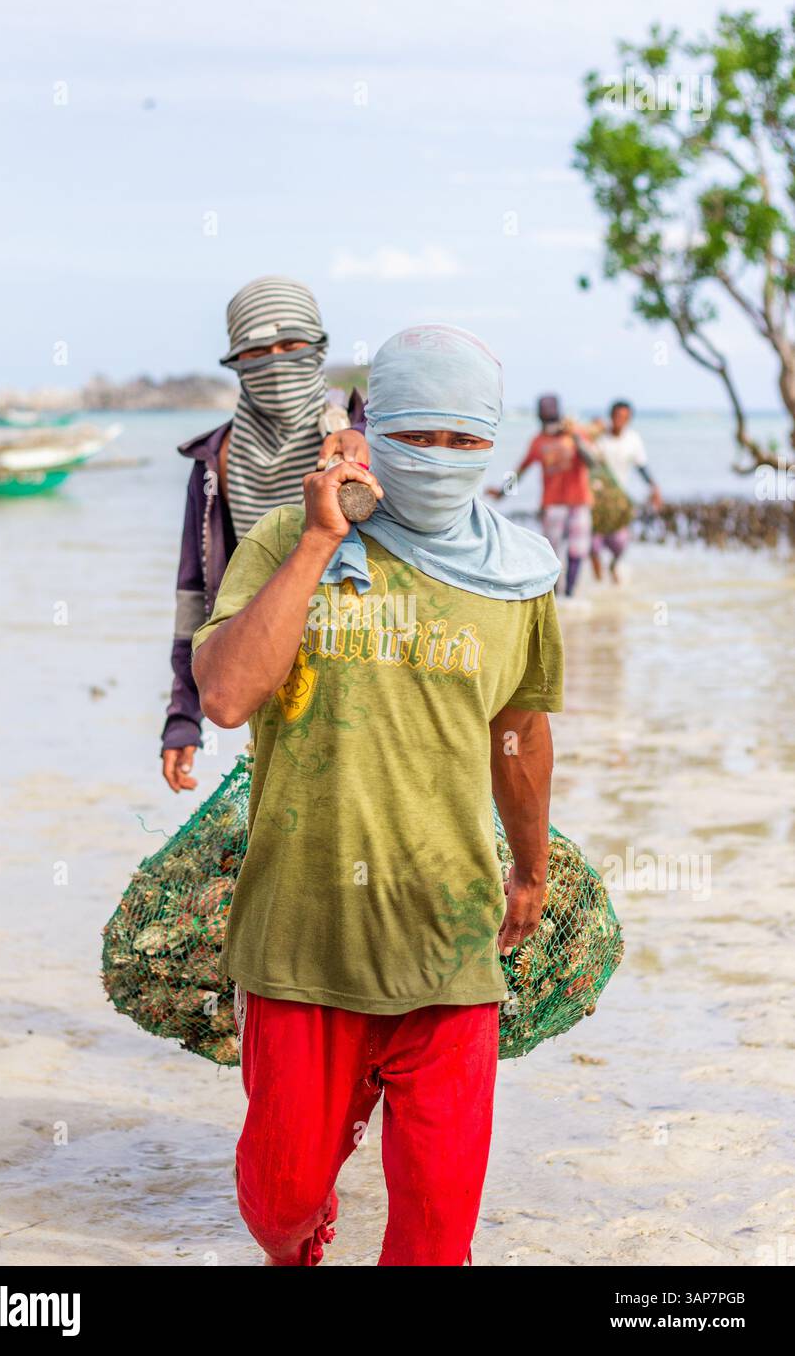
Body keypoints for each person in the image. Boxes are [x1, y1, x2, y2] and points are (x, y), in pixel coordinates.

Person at [191, 325, 564, 1266]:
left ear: (493, 441)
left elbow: (517, 734)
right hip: (301, 935)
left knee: (436, 1240)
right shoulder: (293, 536)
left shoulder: (517, 577)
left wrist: (530, 866)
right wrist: (321, 537)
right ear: (373, 425)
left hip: (449, 938)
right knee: (279, 1209)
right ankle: (314, 1204)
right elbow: (227, 696)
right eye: (417, 436)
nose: (440, 461)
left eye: (465, 441)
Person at [161, 276, 367, 792]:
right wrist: (185, 714)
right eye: (257, 351)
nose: (275, 362)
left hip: (372, 667)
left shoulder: (369, 432)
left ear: (319, 349)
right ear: (236, 363)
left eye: (291, 347)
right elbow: (196, 598)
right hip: (272, 679)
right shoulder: (216, 463)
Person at [515, 394, 597, 598]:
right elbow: (521, 469)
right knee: (552, 554)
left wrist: (576, 438)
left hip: (579, 502)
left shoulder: (576, 433)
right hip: (553, 505)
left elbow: (593, 462)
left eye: (552, 418)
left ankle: (569, 595)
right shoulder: (538, 441)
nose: (549, 423)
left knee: (577, 550)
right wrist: (501, 491)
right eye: (546, 419)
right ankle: (554, 597)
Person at [589, 400, 663, 583]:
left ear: (629, 420)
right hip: (596, 498)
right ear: (611, 416)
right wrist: (592, 429)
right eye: (617, 416)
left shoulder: (633, 439)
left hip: (619, 498)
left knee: (621, 542)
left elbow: (641, 467)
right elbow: (586, 457)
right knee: (593, 544)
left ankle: (613, 566)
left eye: (624, 417)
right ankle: (597, 575)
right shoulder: (599, 437)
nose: (620, 421)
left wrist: (654, 487)